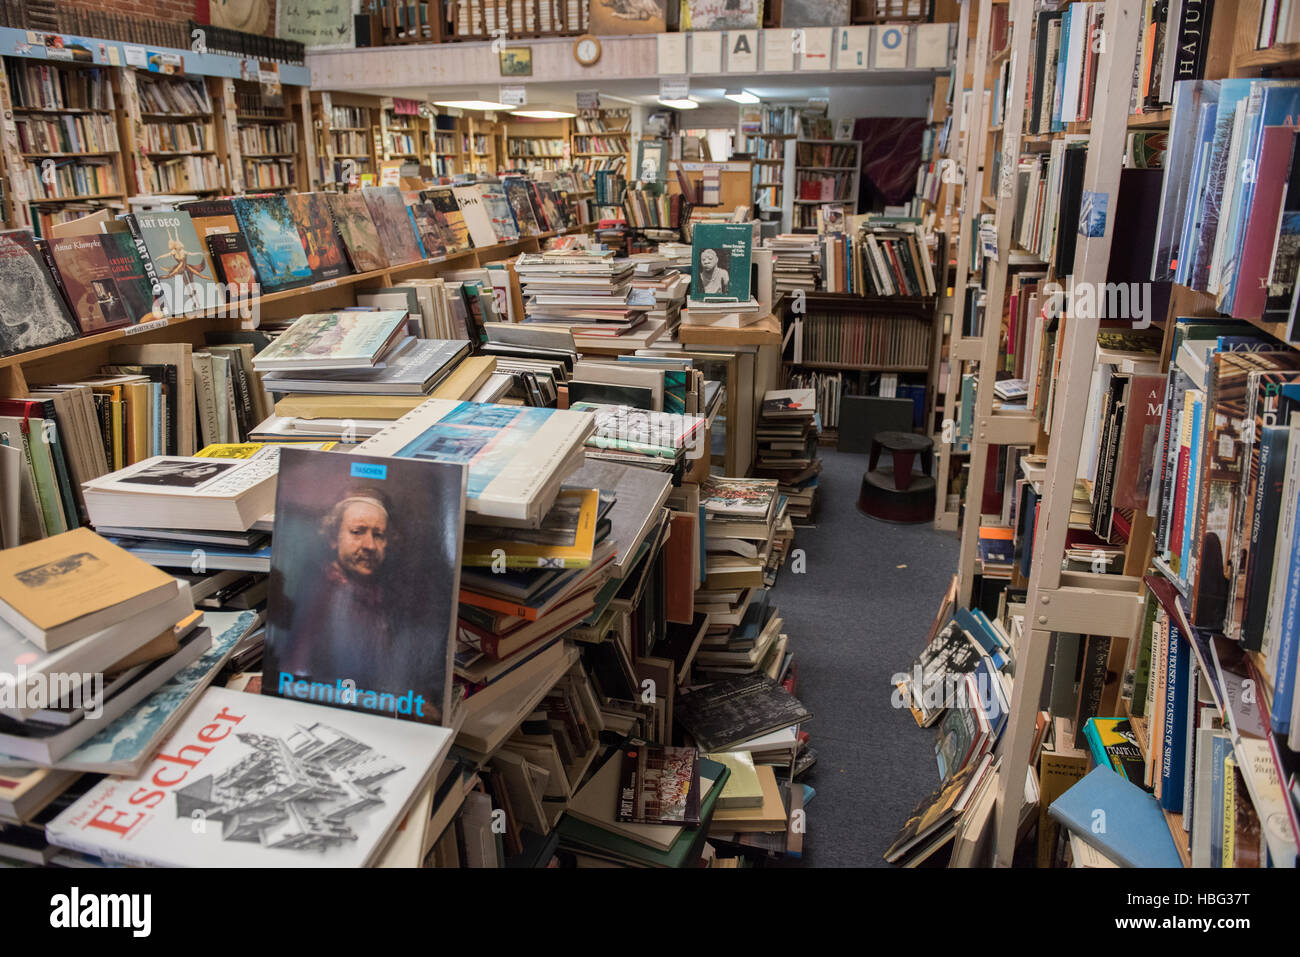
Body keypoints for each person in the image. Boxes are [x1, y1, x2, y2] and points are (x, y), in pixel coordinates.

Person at [273, 485, 441, 723]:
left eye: (378, 535)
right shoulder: (319, 592)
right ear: (333, 538)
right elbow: (298, 678)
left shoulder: (387, 592)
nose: (370, 545)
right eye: (357, 531)